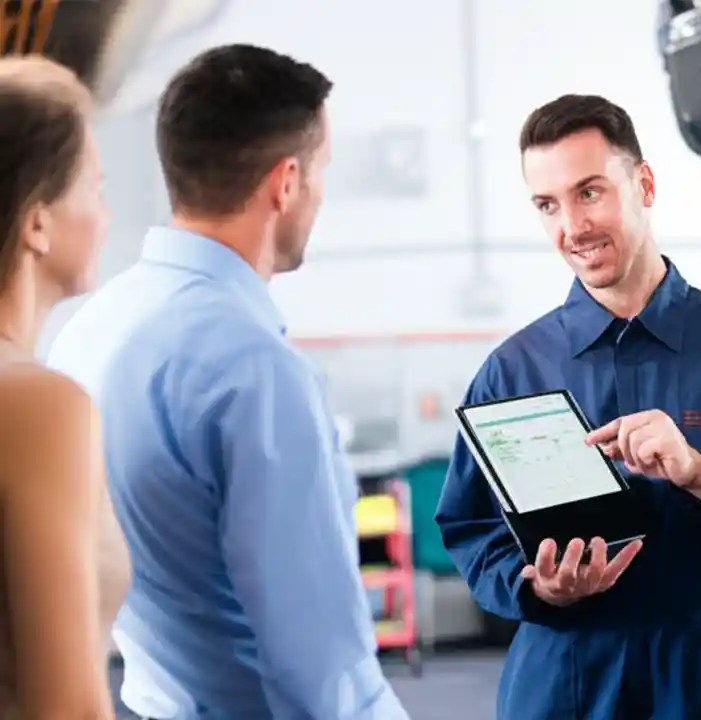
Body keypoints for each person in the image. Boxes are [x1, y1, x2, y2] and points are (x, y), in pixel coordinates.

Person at [435, 94, 701, 719]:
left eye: (590, 193)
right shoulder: (512, 371)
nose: (571, 227)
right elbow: (471, 533)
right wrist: (537, 585)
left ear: (645, 184)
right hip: (567, 695)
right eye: (548, 204)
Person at [46, 44, 408, 719]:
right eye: (321, 172)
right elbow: (319, 667)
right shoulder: (255, 373)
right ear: (287, 182)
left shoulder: (87, 331)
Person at [0, 55, 129, 719]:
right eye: (96, 189)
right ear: (37, 222)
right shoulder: (37, 403)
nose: (105, 216)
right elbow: (67, 709)